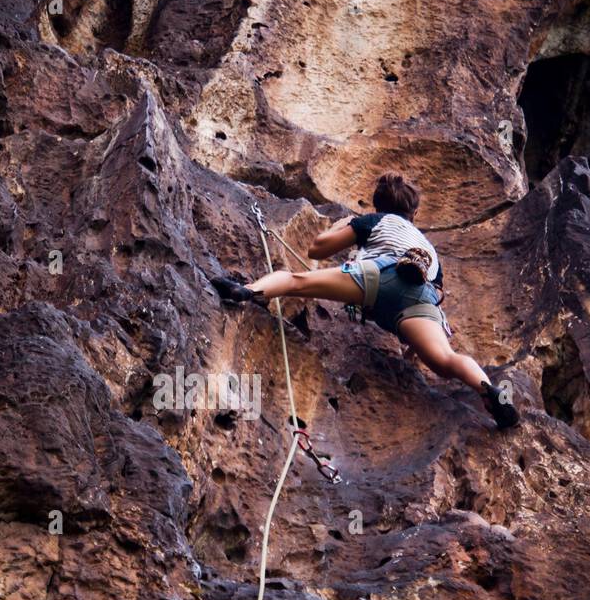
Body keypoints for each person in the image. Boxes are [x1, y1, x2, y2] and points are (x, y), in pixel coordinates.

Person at [212, 173, 519, 429]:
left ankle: (250, 291)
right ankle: (486, 388)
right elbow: (437, 296)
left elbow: (317, 250)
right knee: (446, 360)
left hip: (376, 275)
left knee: (295, 281)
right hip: (419, 294)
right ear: (414, 214)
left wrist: (340, 225)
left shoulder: (375, 221)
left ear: (378, 204)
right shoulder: (427, 247)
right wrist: (416, 341)